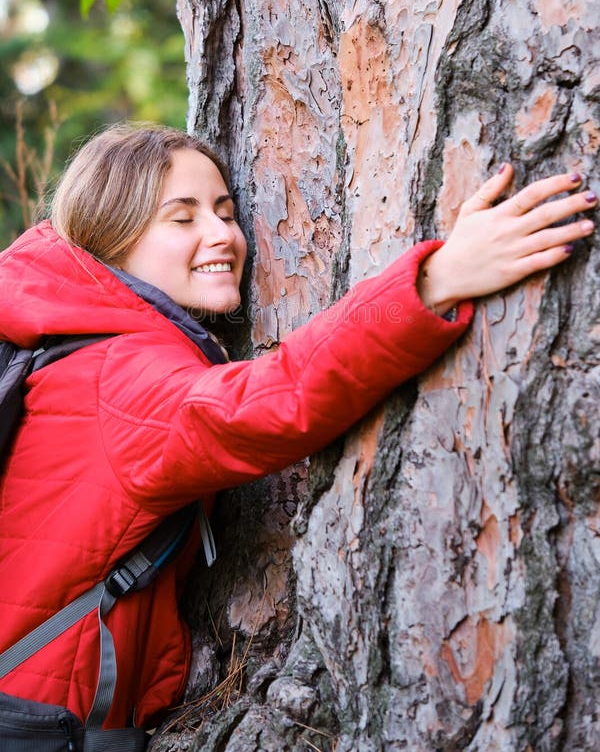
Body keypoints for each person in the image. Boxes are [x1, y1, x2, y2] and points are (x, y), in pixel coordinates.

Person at [0, 124, 596, 746]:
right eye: (182, 218)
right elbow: (267, 403)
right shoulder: (114, 374)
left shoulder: (68, 350)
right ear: (111, 242)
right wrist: (433, 280)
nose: (222, 235)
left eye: (225, 211)